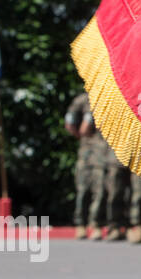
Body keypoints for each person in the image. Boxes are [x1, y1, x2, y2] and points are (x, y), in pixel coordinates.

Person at [64, 94, 96, 239]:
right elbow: (69, 122)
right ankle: (81, 224)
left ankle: (96, 224)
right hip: (87, 153)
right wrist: (80, 134)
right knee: (83, 188)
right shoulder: (83, 99)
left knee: (101, 190)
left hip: (108, 152)